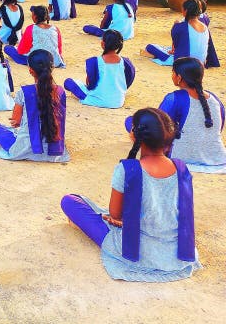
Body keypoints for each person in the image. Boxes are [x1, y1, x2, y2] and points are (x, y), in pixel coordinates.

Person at [60, 108, 201, 281]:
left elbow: (115, 214)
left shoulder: (127, 170)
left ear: (134, 135)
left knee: (69, 201)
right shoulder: (181, 168)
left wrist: (121, 219)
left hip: (135, 251)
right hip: (177, 254)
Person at [0, 49, 69, 162]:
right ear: (52, 68)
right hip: (55, 150)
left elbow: (16, 122)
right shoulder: (60, 92)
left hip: (25, 147)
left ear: (31, 71)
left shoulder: (24, 92)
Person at [149, 57, 226, 173]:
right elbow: (219, 127)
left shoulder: (174, 98)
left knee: (132, 122)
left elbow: (158, 128)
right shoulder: (214, 99)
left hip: (181, 155)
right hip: (217, 156)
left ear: (179, 77)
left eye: (173, 73)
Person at [64, 30, 135, 109]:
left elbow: (90, 85)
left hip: (97, 100)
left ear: (103, 44)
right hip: (118, 101)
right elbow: (129, 80)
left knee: (68, 82)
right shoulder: (126, 62)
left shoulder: (94, 62)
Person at [144, 0, 219, 67]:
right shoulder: (205, 28)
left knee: (150, 46)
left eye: (182, 9)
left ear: (185, 11)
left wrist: (175, 25)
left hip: (183, 62)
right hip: (201, 62)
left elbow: (175, 47)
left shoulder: (180, 26)